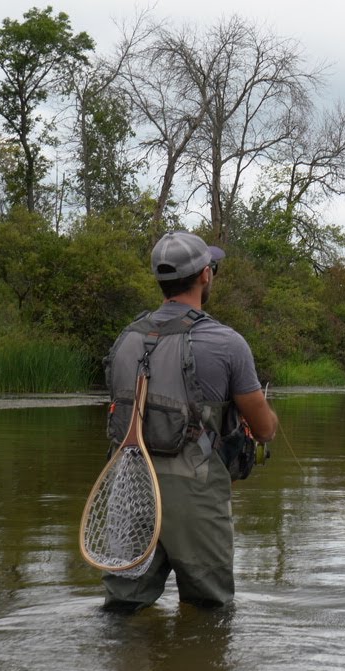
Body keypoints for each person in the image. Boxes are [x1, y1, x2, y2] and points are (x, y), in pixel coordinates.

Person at [100, 230, 278, 612]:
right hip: (195, 491)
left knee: (122, 611)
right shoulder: (227, 343)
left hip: (130, 488)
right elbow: (264, 430)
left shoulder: (125, 340)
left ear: (160, 279)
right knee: (208, 613)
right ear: (205, 276)